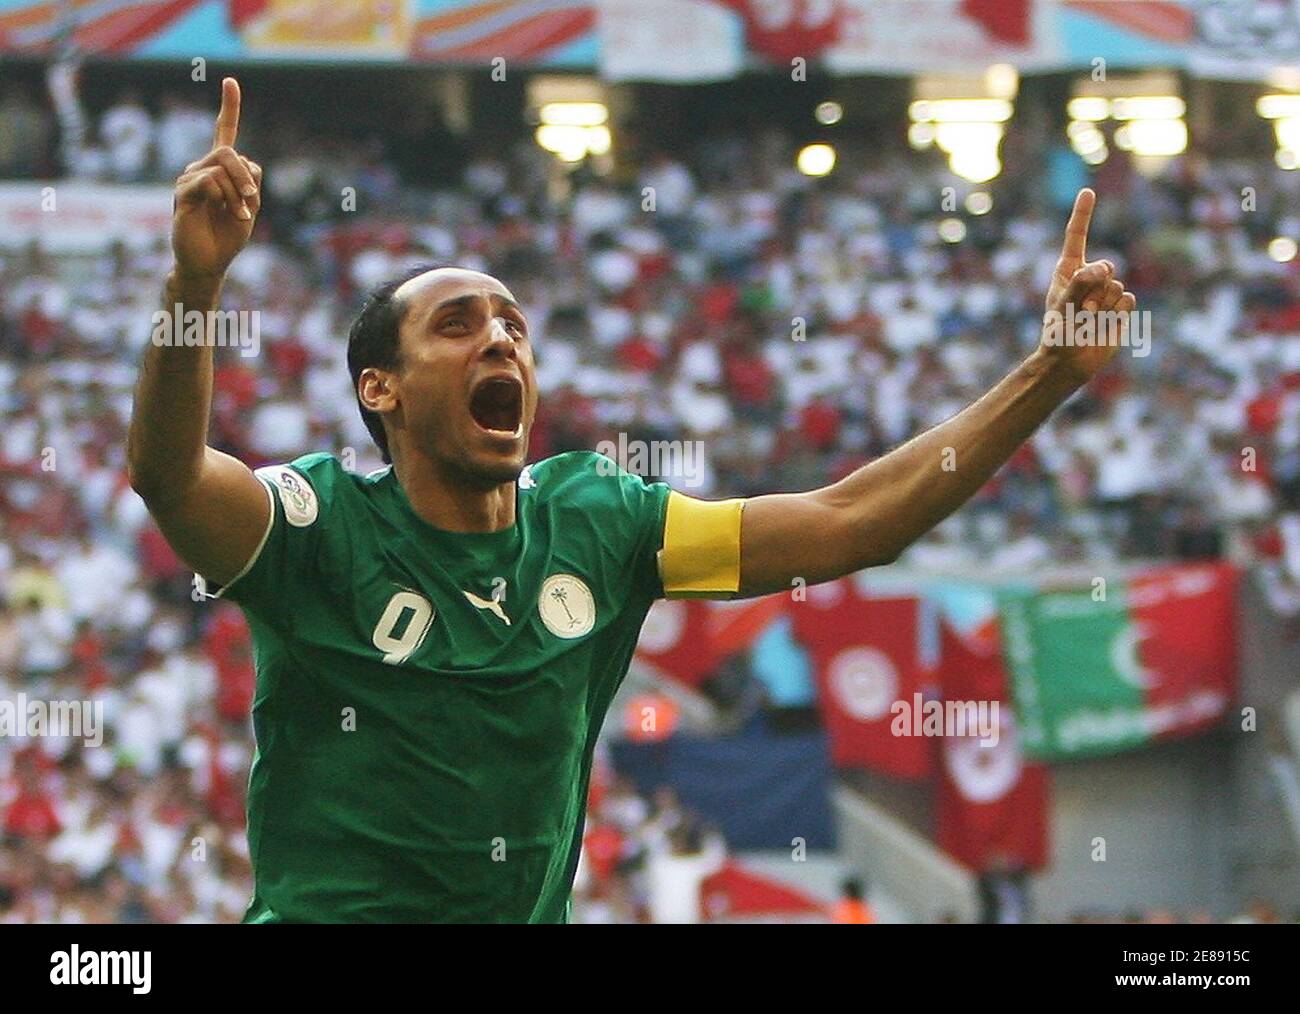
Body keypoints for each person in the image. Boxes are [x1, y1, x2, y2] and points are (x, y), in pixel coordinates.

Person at [127, 78, 1138, 923]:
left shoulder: (602, 524)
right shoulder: (318, 526)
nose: (499, 339)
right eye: (457, 324)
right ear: (377, 390)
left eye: (513, 324)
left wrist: (1045, 375)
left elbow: (847, 523)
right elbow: (170, 476)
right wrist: (193, 285)